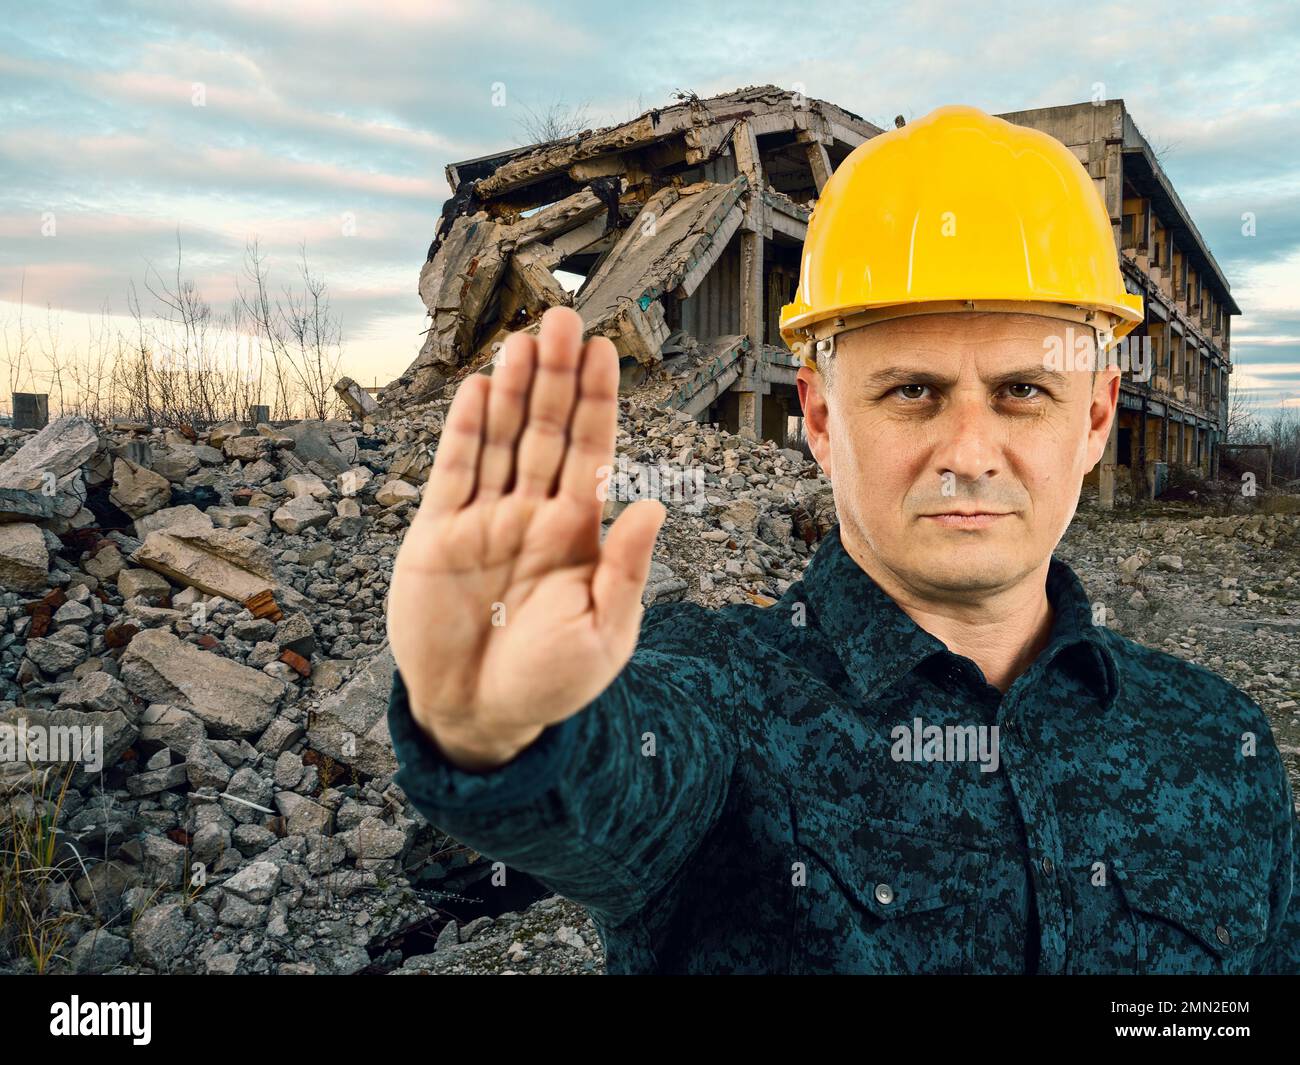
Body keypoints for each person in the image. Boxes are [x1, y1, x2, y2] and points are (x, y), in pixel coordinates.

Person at [384, 104, 1298, 974]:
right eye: (913, 391)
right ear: (819, 416)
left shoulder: (1220, 741)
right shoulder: (725, 700)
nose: (970, 454)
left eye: (1023, 390)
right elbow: (607, 778)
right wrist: (501, 725)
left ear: (1095, 415)